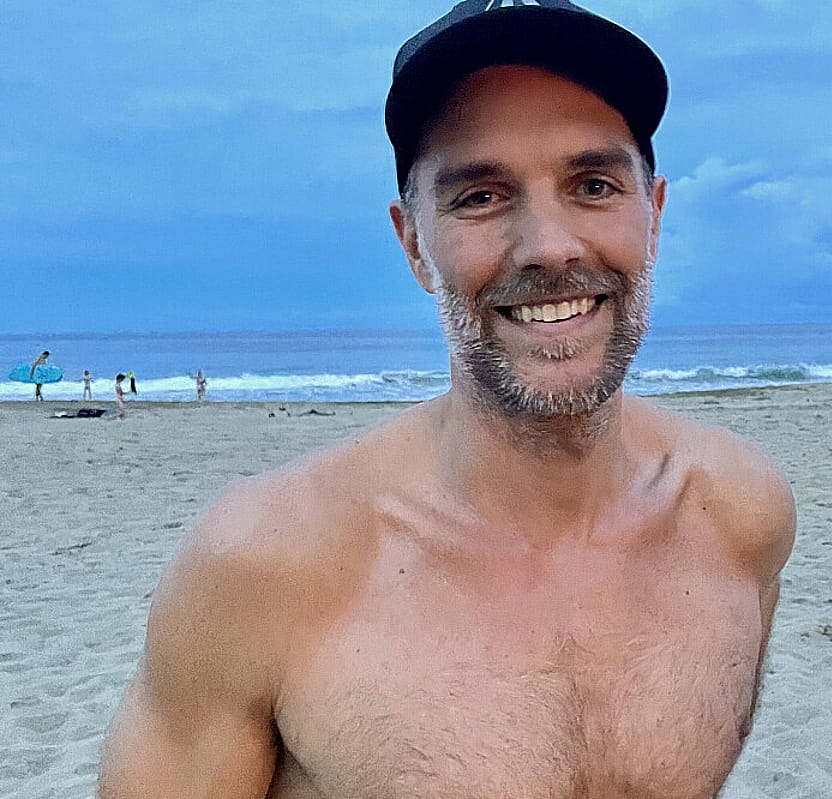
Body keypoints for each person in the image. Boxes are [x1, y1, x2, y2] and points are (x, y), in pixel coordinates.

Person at [99, 2, 796, 797]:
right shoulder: (263, 569)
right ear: (413, 244)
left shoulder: (740, 515)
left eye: (594, 185)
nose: (550, 246)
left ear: (655, 214)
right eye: (480, 197)